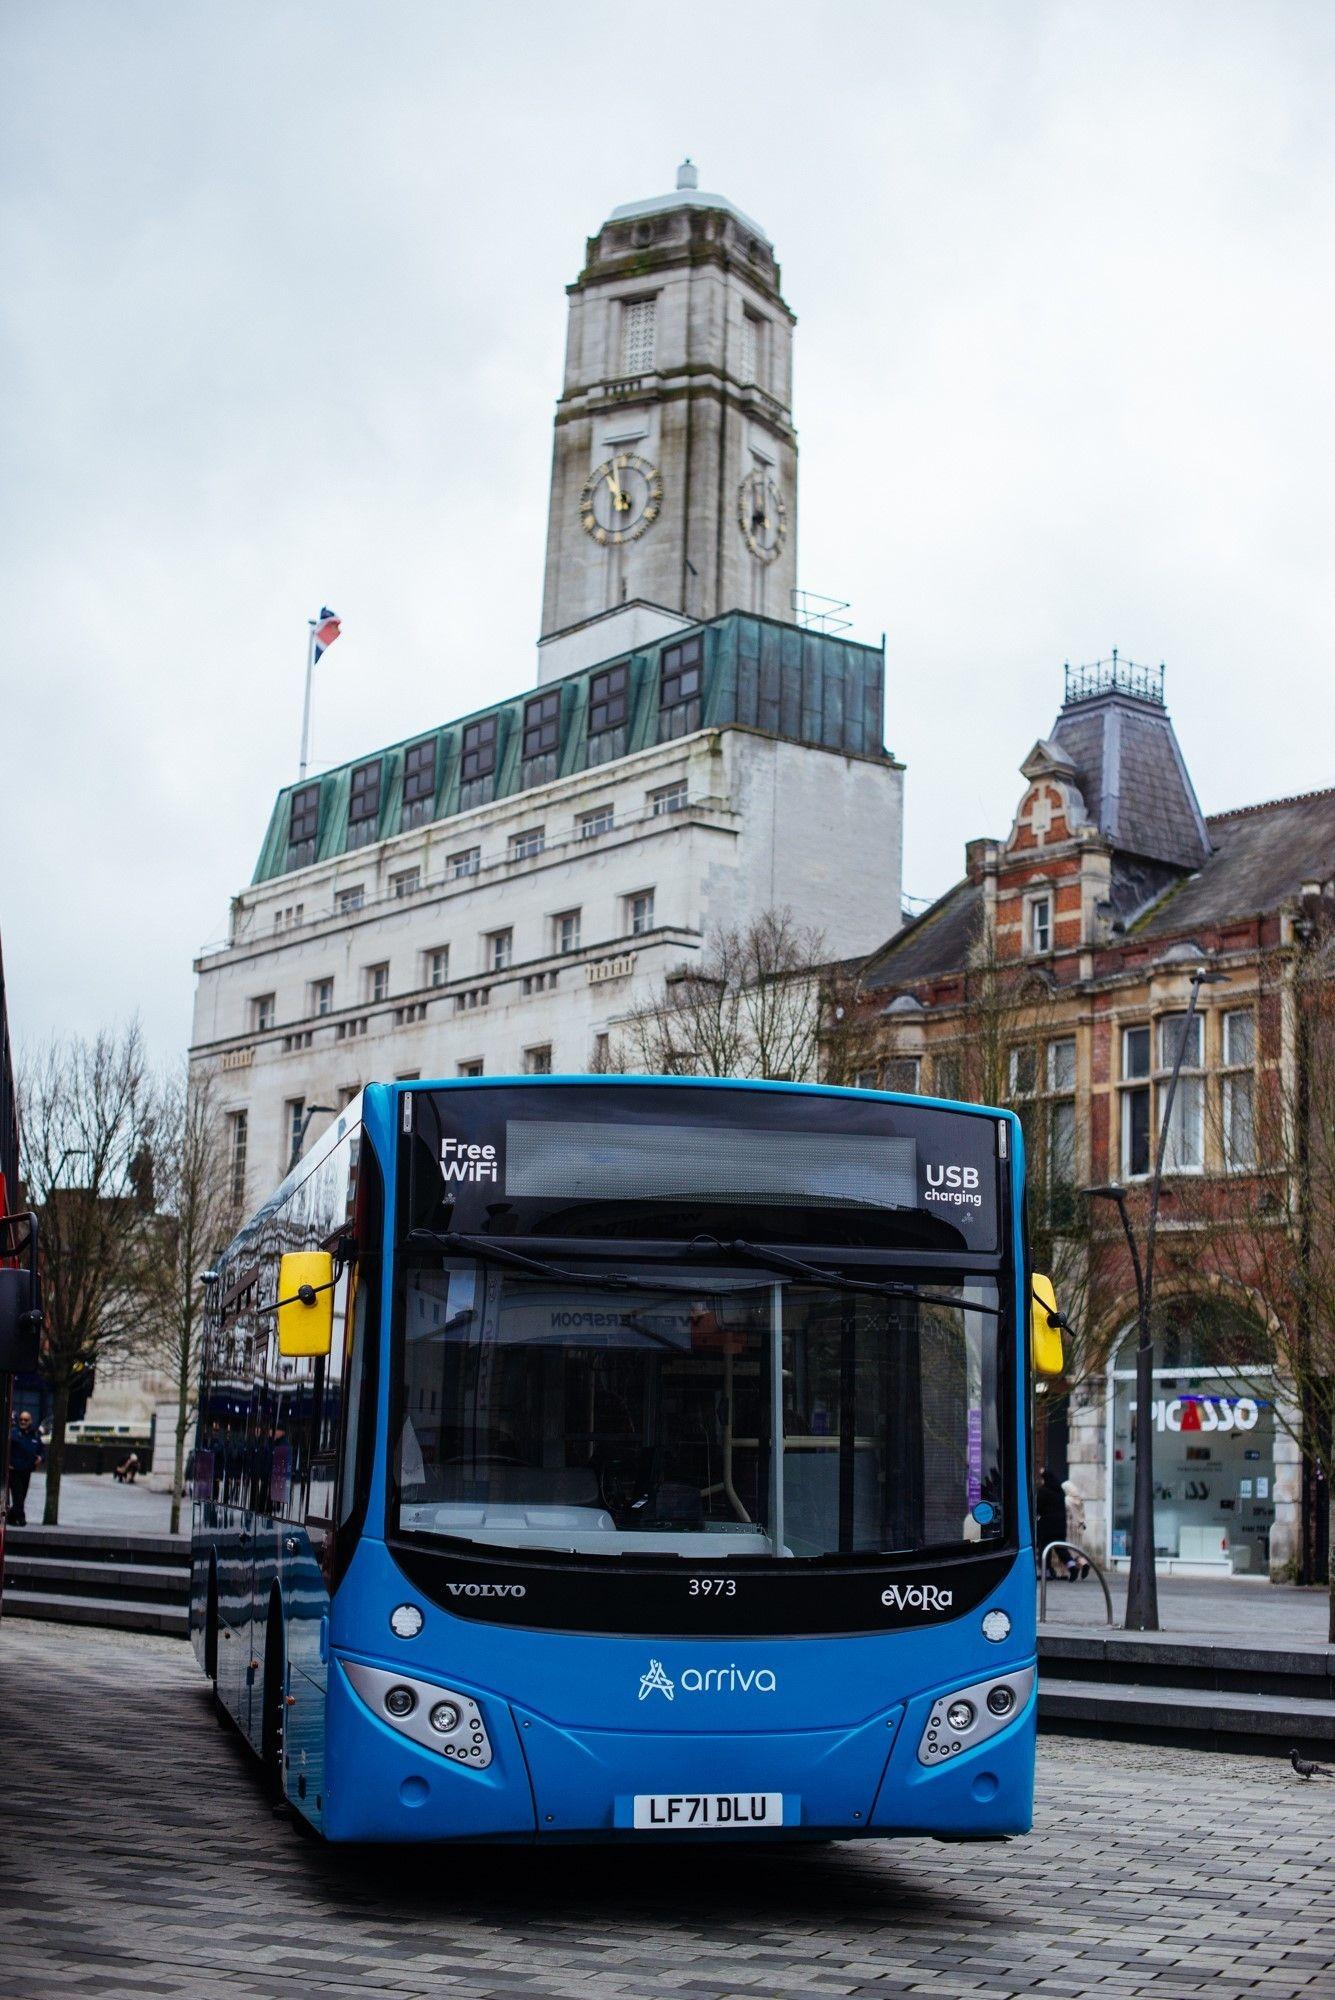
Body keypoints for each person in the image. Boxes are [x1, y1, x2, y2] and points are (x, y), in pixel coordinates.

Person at [6, 1410, 46, 1526]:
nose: (23, 1422)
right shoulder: (13, 1434)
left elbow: (41, 1450)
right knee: (18, 1495)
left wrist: (41, 1458)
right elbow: (6, 1449)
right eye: (21, 1419)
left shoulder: (35, 1435)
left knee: (22, 1496)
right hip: (15, 1470)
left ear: (30, 1421)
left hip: (27, 1471)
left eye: (26, 1420)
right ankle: (21, 1518)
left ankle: (11, 1517)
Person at [1036, 1466, 1071, 1579]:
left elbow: (1038, 1508)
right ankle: (1072, 1566)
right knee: (1061, 1548)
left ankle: (1046, 1573)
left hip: (1047, 1525)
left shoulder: (1044, 1491)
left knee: (1044, 1549)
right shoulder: (1060, 1491)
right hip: (1060, 1525)